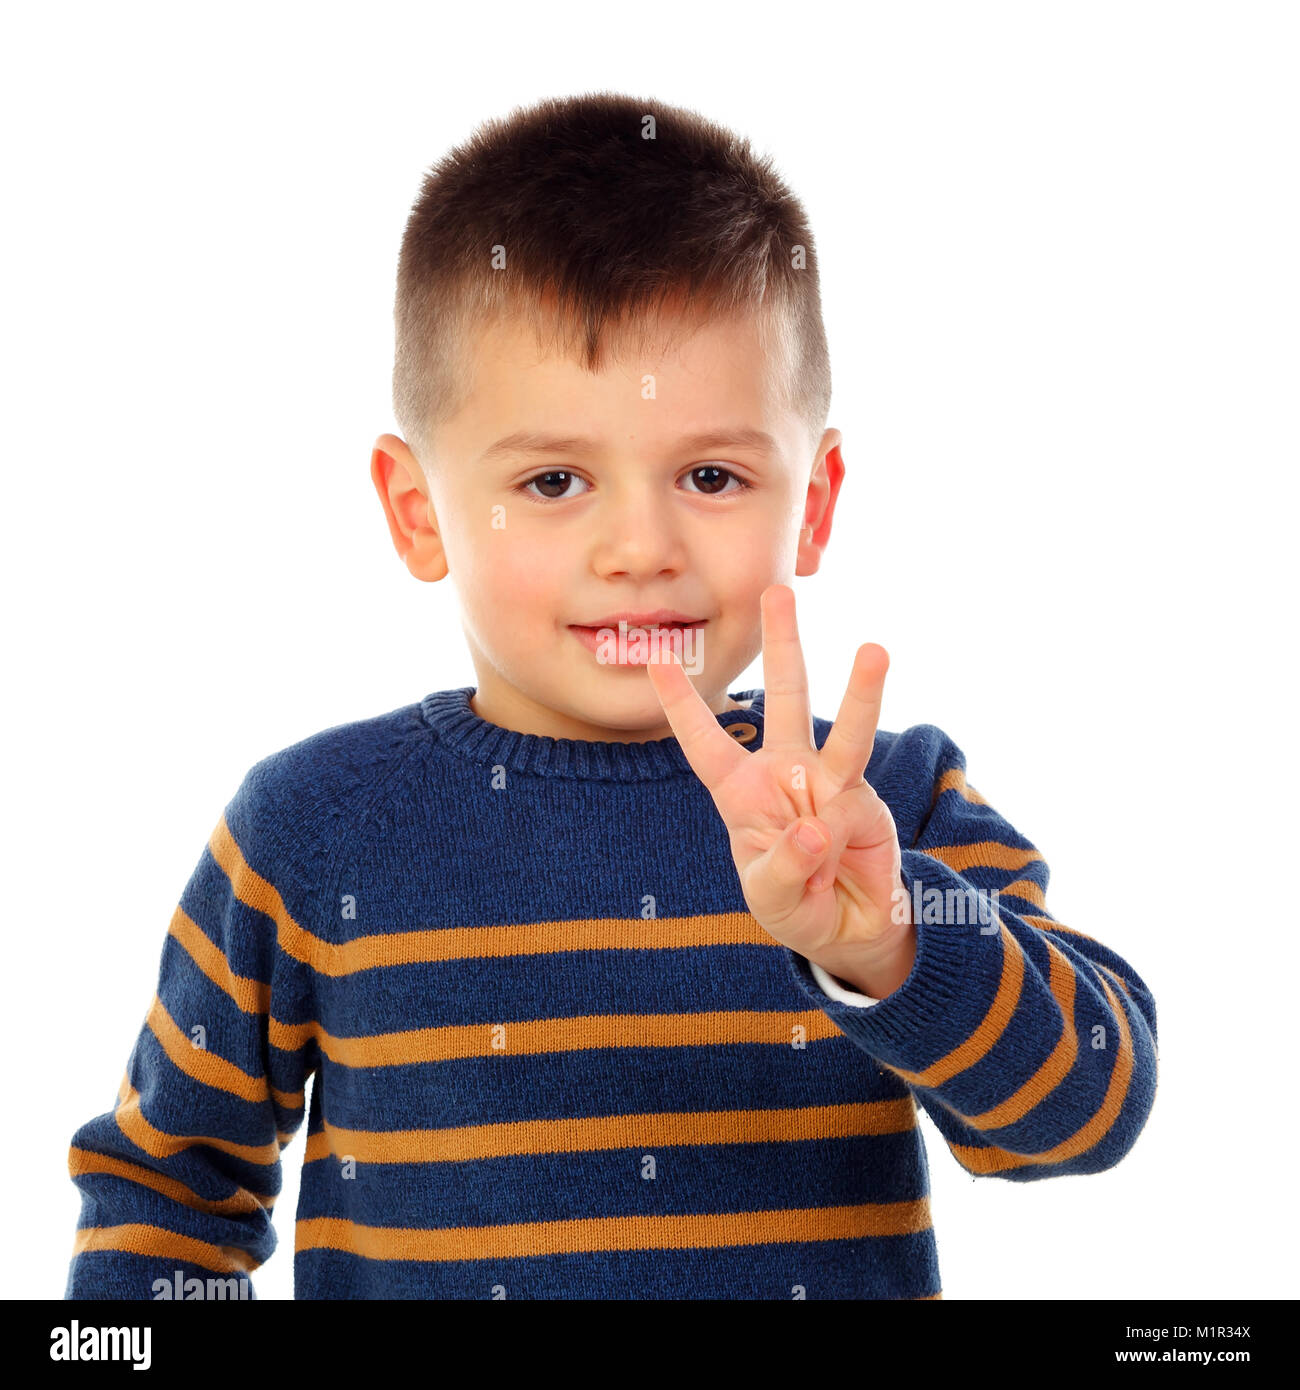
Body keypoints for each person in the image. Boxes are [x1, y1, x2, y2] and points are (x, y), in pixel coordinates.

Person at [64, 90, 1158, 1300]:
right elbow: (166, 1195)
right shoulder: (312, 827)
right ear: (417, 512)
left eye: (709, 473)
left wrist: (892, 940)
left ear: (818, 497)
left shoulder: (880, 813)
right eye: (550, 480)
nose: (640, 545)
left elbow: (1092, 1109)